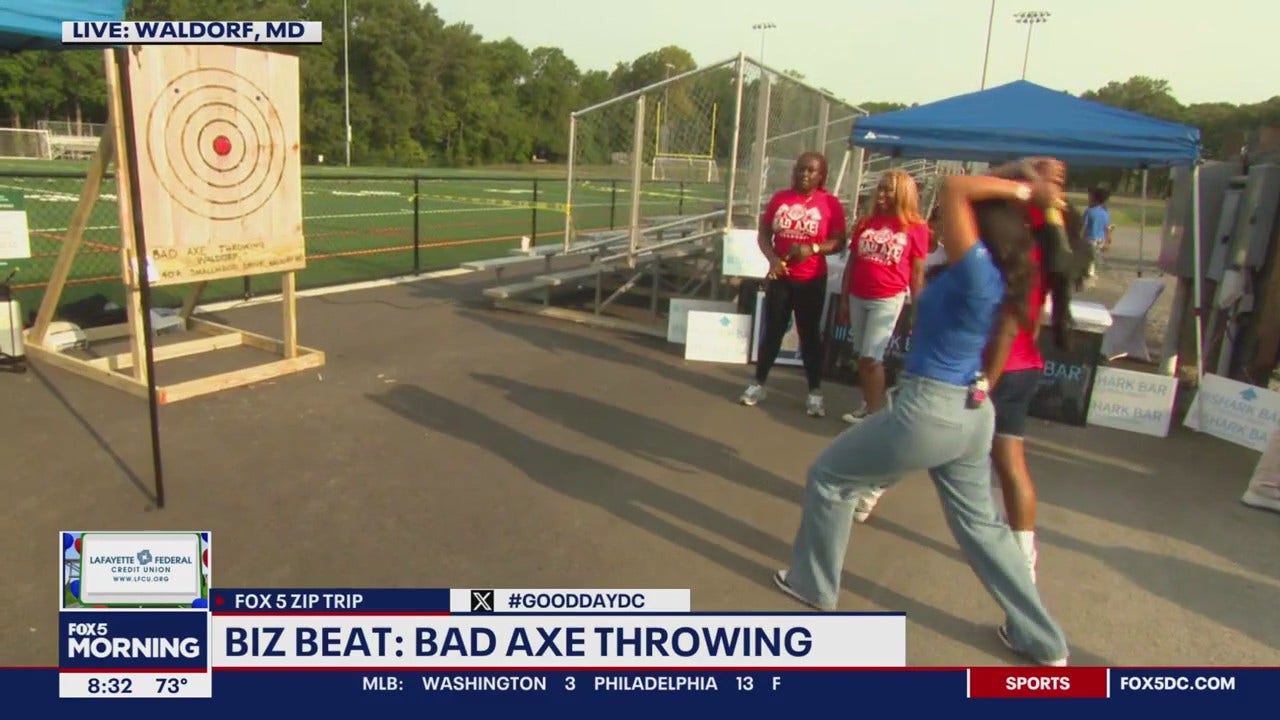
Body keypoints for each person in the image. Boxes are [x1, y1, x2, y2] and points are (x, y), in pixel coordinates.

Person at [772, 158, 1072, 668]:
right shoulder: (1013, 276)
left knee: (829, 477)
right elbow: (1001, 338)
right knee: (983, 529)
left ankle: (812, 584)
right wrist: (1021, 175)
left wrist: (1028, 190)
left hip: (928, 408)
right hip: (973, 412)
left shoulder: (976, 268)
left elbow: (956, 187)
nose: (940, 220)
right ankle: (1043, 641)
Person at [740, 151, 848, 417]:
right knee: (773, 332)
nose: (804, 174)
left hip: (811, 280)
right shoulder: (780, 199)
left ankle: (814, 392)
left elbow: (839, 241)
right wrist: (772, 259)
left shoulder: (830, 204)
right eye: (801, 169)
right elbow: (764, 234)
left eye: (811, 171)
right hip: (781, 277)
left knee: (809, 334)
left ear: (822, 175)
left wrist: (812, 249)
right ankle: (758, 383)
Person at [837, 170, 930, 425]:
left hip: (888, 297)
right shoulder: (866, 222)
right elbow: (852, 262)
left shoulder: (916, 227)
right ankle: (868, 404)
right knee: (861, 356)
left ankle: (876, 415)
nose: (881, 194)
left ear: (902, 193)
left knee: (871, 356)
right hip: (858, 294)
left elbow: (918, 271)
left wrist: (917, 308)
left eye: (888, 189)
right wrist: (844, 299)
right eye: (880, 188)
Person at [1081, 186, 1113, 280]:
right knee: (1094, 255)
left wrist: (1081, 236)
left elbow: (1083, 225)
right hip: (1100, 239)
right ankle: (1092, 270)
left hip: (1090, 238)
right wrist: (1108, 240)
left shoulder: (1089, 211)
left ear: (1095, 199)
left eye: (1090, 197)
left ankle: (1089, 272)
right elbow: (1107, 228)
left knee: (1089, 256)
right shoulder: (1105, 212)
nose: (1088, 199)